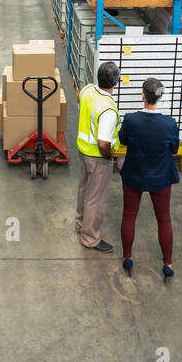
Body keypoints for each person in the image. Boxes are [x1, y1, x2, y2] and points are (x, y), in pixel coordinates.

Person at [117, 77, 180, 282]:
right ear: (161, 97)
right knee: (164, 219)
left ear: (143, 95)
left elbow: (123, 140)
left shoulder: (131, 120)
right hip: (161, 177)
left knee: (129, 216)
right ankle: (168, 263)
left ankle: (128, 257)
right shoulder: (169, 123)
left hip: (134, 174)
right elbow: (174, 148)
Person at [75, 61, 120, 253]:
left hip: (83, 150)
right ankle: (90, 238)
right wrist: (110, 156)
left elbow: (79, 99)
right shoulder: (107, 109)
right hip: (97, 157)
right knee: (96, 197)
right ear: (115, 83)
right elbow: (103, 143)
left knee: (84, 189)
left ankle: (80, 224)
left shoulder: (87, 90)